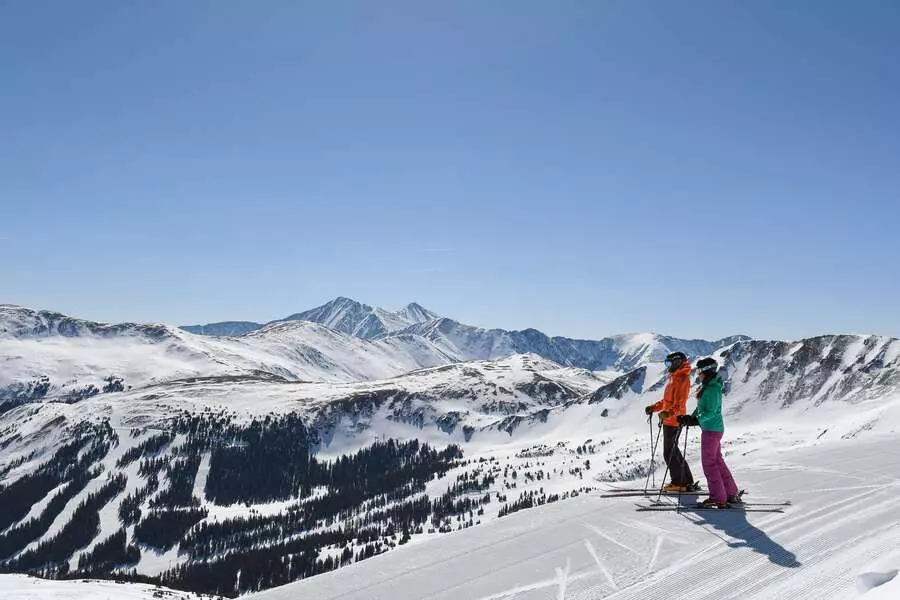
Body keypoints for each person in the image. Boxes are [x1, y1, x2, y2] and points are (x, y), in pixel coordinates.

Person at [678, 357, 741, 508]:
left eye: (699, 371)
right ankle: (730, 493)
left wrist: (695, 420)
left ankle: (718, 497)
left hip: (711, 430)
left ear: (706, 371)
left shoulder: (712, 389)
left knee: (709, 464)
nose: (697, 374)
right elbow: (701, 409)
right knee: (717, 461)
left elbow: (710, 412)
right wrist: (690, 418)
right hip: (712, 429)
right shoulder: (709, 387)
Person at [645, 351, 698, 493]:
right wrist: (654, 408)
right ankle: (686, 480)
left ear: (677, 362)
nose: (667, 366)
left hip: (674, 421)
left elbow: (680, 404)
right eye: (665, 363)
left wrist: (668, 413)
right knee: (674, 451)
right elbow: (667, 402)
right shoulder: (674, 378)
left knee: (668, 453)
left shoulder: (682, 379)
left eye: (669, 363)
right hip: (669, 419)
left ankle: (679, 482)